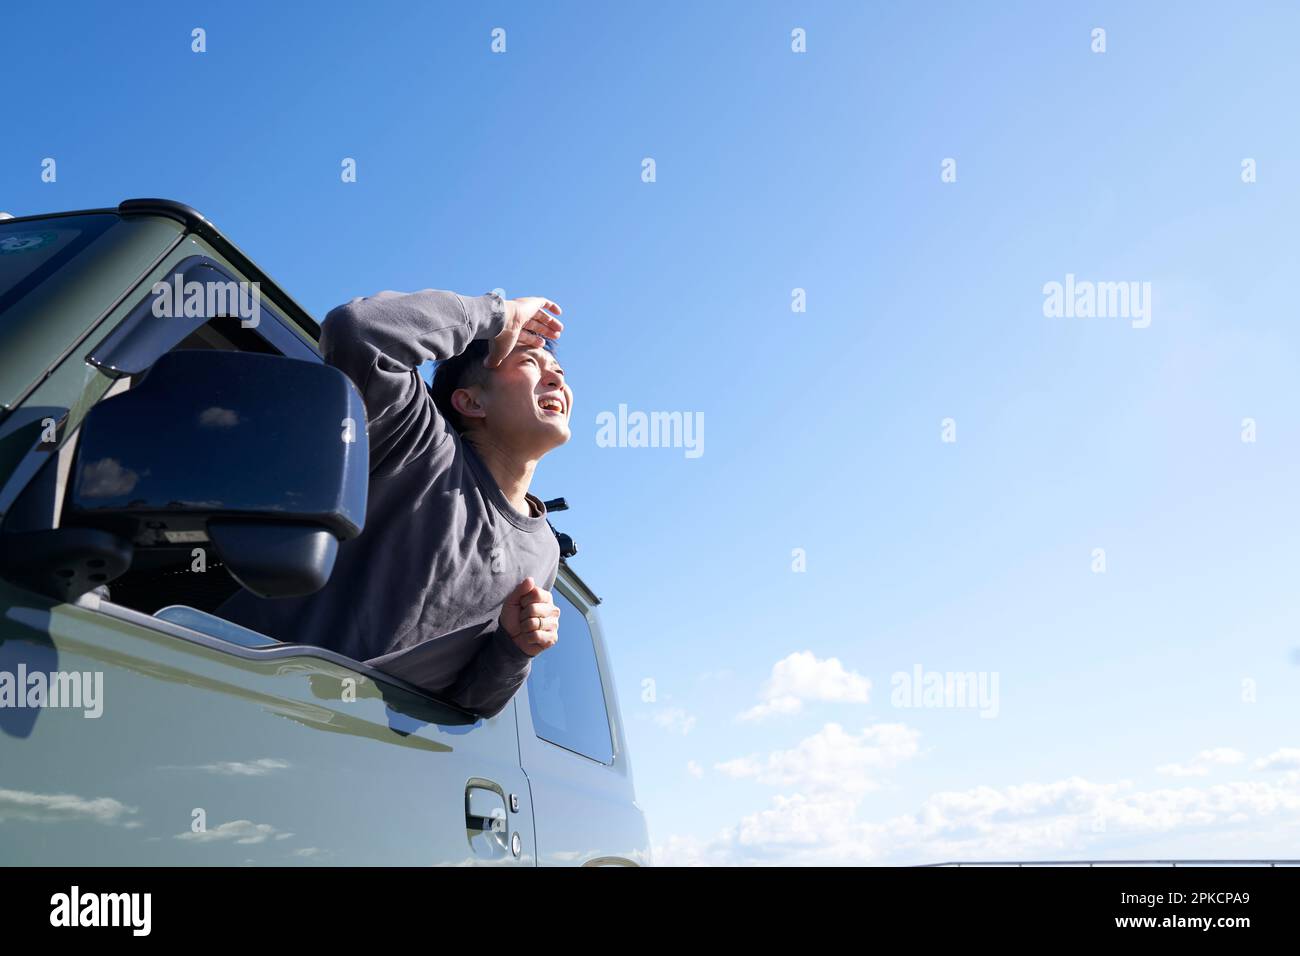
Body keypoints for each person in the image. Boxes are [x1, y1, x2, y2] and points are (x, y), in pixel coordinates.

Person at [217, 289, 572, 718]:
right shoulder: (417, 441)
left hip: (360, 752)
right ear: (470, 401)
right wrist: (499, 314)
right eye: (530, 363)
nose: (556, 380)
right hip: (244, 692)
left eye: (559, 371)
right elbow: (358, 330)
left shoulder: (544, 551)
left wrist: (516, 649)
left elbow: (471, 703)